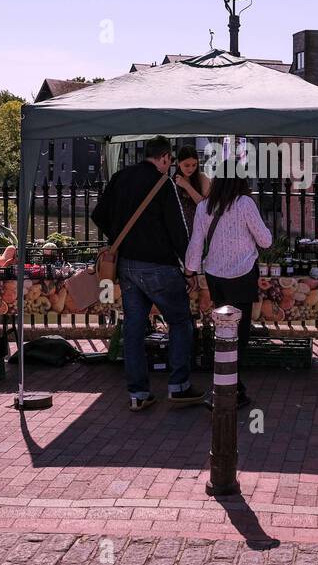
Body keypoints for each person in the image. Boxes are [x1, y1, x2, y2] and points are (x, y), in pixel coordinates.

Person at [91, 136, 203, 411]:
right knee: (180, 322)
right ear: (164, 158)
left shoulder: (120, 177)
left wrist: (119, 237)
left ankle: (138, 393)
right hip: (159, 266)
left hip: (127, 266)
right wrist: (190, 271)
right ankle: (178, 387)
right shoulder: (163, 184)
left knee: (133, 328)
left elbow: (99, 214)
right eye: (170, 160)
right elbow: (179, 231)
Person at [185, 174, 272, 408]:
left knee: (223, 330)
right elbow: (265, 241)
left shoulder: (204, 206)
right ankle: (231, 387)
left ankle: (228, 385)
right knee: (240, 334)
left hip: (215, 277)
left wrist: (190, 270)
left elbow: (195, 243)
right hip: (242, 275)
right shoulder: (245, 204)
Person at [174, 144, 209, 230]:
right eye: (187, 165)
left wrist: (187, 186)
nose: (191, 169)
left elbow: (205, 206)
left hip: (200, 229)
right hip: (178, 229)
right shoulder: (172, 181)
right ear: (179, 163)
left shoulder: (202, 178)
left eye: (194, 165)